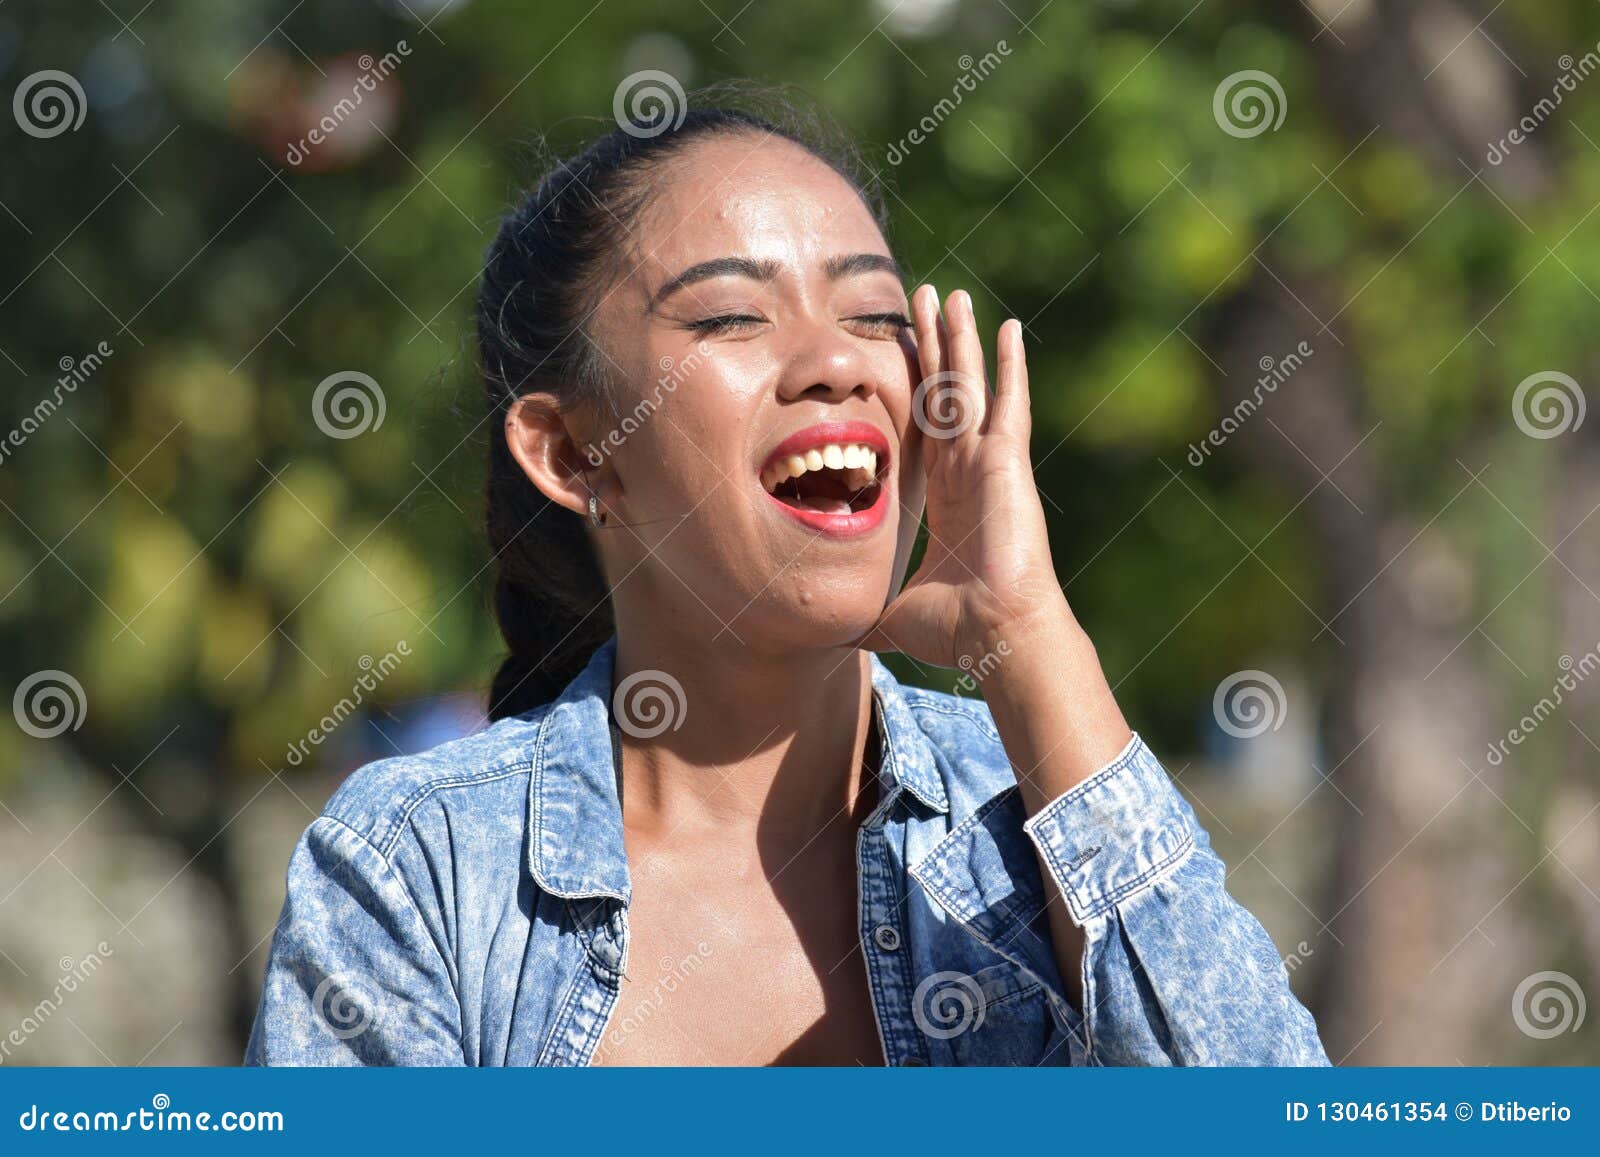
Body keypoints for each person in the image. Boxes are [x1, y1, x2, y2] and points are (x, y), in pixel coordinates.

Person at [245, 92, 1330, 1067]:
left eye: (875, 317)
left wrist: (1029, 627)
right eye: (729, 316)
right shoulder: (420, 866)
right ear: (576, 452)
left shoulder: (1035, 812)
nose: (838, 361)